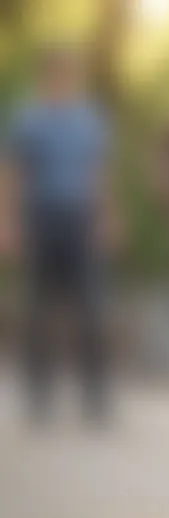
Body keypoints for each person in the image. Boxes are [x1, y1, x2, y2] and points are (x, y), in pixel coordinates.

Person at [0, 45, 121, 424]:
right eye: (57, 75)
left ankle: (96, 398)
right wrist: (8, 222)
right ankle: (38, 398)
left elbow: (98, 171)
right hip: (40, 217)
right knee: (37, 311)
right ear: (45, 78)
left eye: (70, 75)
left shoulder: (90, 120)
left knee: (92, 310)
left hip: (80, 219)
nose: (64, 81)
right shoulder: (27, 119)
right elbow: (12, 173)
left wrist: (108, 216)